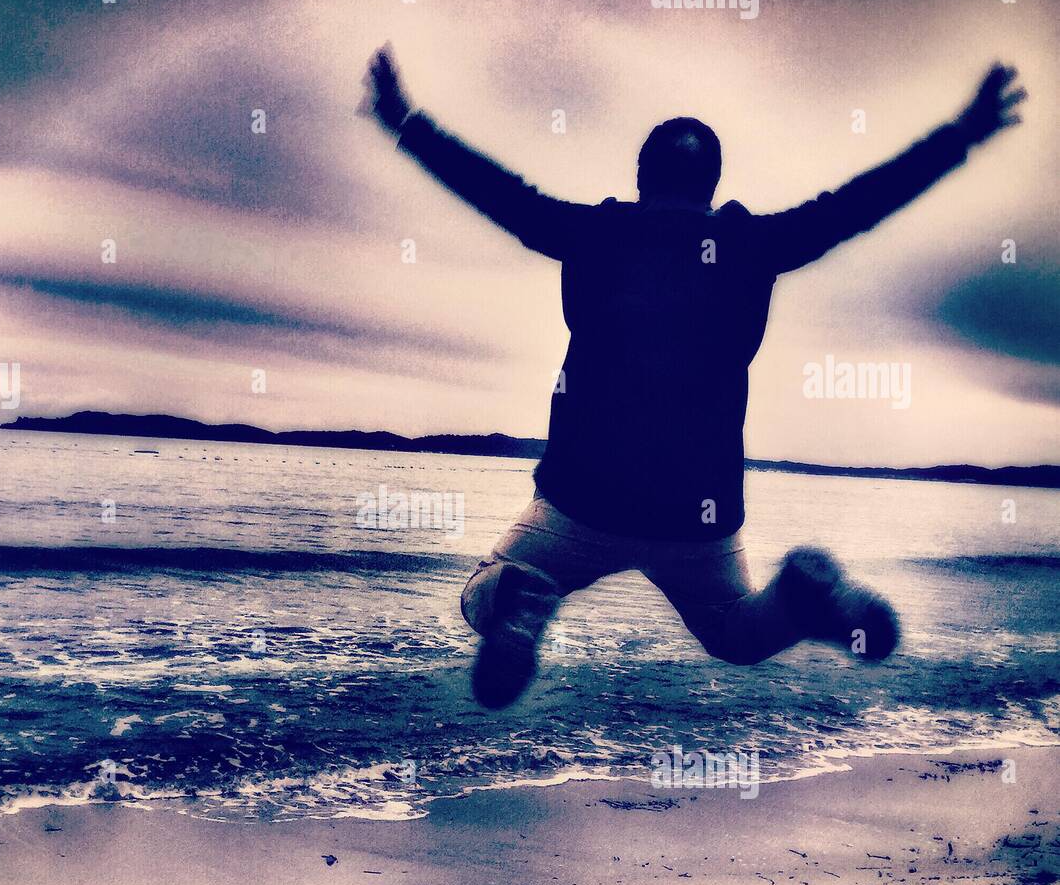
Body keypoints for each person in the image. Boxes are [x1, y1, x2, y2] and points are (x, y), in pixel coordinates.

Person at [362, 48, 1026, 708]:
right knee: (735, 632)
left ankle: (518, 598)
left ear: (643, 177)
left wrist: (406, 122)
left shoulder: (596, 232)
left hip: (581, 499)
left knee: (485, 588)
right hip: (695, 513)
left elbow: (500, 194)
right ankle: (803, 599)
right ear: (711, 184)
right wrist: (959, 136)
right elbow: (855, 205)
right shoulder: (752, 244)